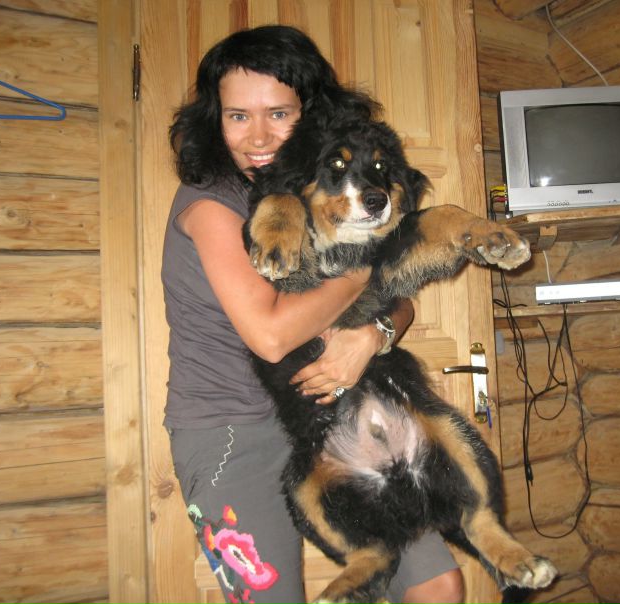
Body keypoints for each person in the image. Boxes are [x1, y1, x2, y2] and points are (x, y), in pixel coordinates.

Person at [162, 25, 464, 604]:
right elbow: (272, 336)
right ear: (215, 119)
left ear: (312, 114)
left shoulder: (329, 184)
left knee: (437, 585)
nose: (258, 137)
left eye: (278, 114)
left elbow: (398, 298)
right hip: (231, 433)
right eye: (237, 116)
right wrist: (360, 270)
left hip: (337, 415)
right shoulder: (210, 201)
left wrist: (373, 336)